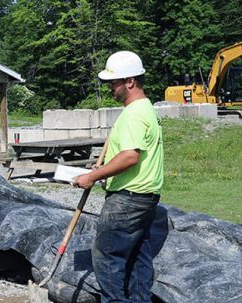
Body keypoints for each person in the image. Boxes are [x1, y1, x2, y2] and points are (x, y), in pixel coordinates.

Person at [72, 50, 164, 303]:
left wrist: (93, 176)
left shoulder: (134, 114)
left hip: (127, 198)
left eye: (114, 83)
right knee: (138, 256)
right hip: (145, 197)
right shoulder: (146, 109)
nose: (111, 88)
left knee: (107, 256)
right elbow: (129, 155)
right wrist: (100, 168)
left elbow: (130, 157)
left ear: (130, 82)